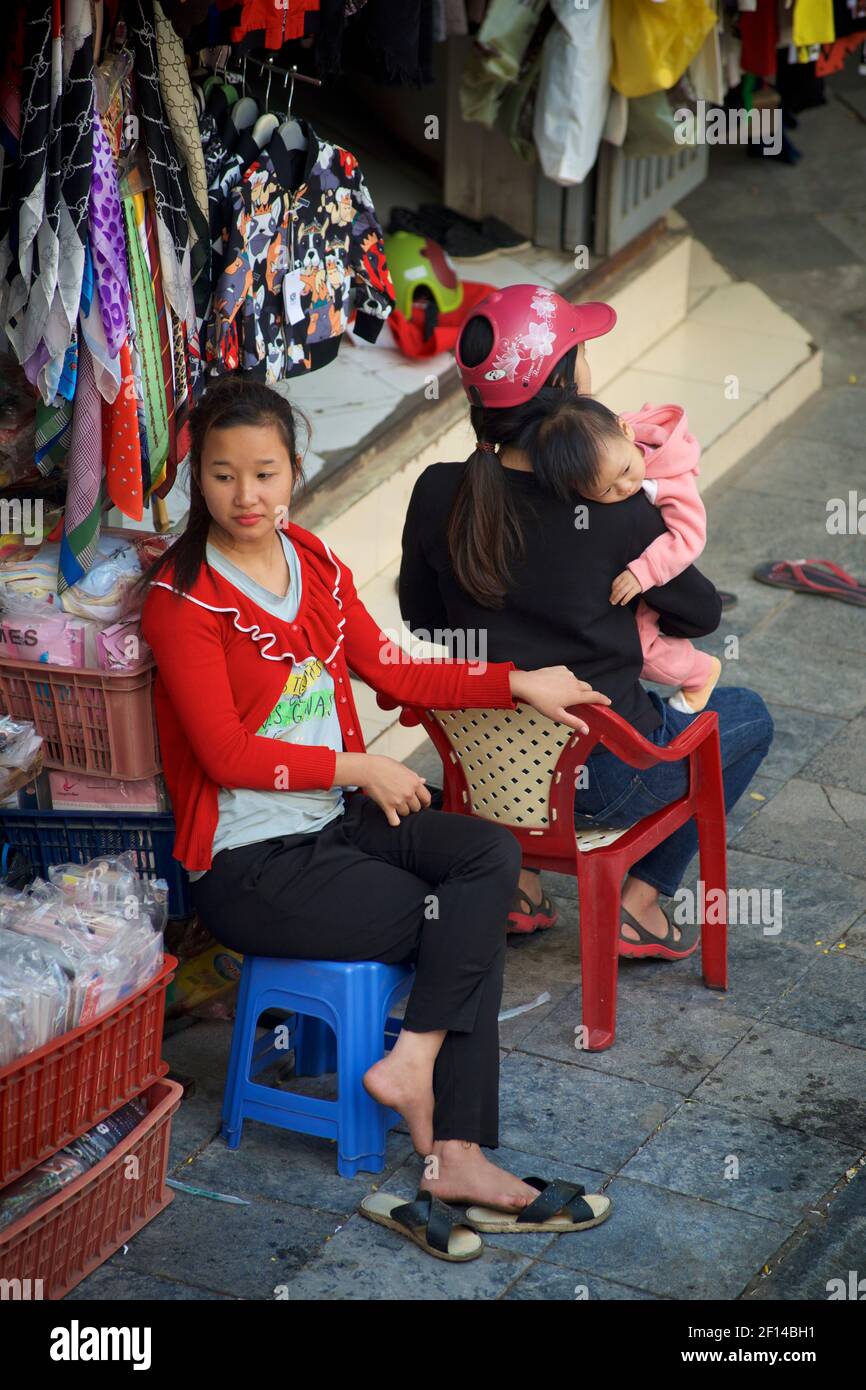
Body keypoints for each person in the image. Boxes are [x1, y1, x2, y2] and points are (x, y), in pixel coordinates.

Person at [137, 373, 613, 1237]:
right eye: (222, 475)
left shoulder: (310, 561)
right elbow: (227, 755)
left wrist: (515, 679)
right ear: (194, 477)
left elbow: (393, 669)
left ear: (293, 470)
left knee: (487, 859)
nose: (246, 495)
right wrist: (357, 766)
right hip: (253, 865)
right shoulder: (182, 603)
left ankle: (417, 1065)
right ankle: (454, 1153)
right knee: (455, 921)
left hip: (333, 825)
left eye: (265, 472)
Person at [399, 283, 773, 952]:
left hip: (485, 774)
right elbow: (701, 613)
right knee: (745, 715)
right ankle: (640, 906)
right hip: (599, 785)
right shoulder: (613, 504)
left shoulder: (437, 491)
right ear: (565, 382)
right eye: (580, 352)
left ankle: (517, 882)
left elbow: (424, 621)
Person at [563, 395, 722, 715]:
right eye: (607, 490)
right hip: (634, 569)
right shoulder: (607, 446)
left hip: (660, 567)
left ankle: (699, 672)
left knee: (641, 650)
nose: (624, 487)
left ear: (625, 428)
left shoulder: (671, 477)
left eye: (625, 471)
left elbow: (690, 536)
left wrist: (643, 572)